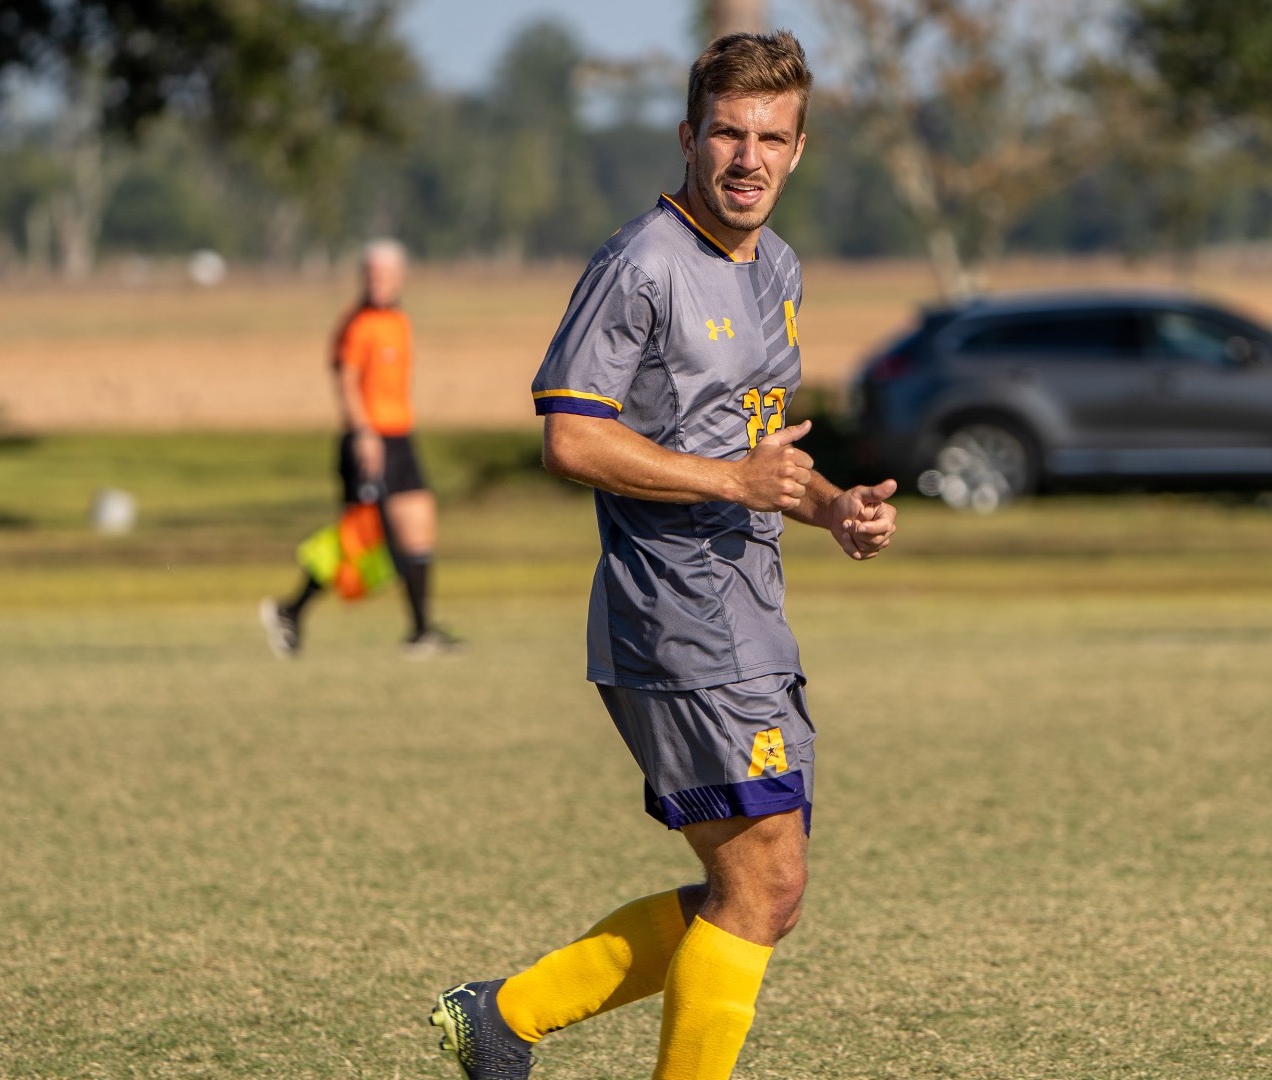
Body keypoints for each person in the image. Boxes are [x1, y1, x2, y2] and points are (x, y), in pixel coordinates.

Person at [428, 31, 897, 1080]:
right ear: (689, 138)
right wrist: (734, 484)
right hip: (672, 615)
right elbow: (569, 436)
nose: (748, 156)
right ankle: (508, 1018)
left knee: (761, 891)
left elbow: (758, 450)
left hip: (750, 610)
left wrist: (830, 506)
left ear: (799, 149)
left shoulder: (777, 268)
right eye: (728, 132)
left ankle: (505, 1016)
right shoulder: (641, 264)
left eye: (771, 136)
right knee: (762, 883)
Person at [259, 240, 458, 657]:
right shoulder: (357, 324)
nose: (378, 281)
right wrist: (363, 432)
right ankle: (290, 610)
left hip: (400, 436)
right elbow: (346, 381)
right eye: (371, 274)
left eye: (385, 274)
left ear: (400, 277)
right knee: (360, 537)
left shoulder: (399, 321)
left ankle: (421, 632)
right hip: (368, 439)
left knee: (419, 525)